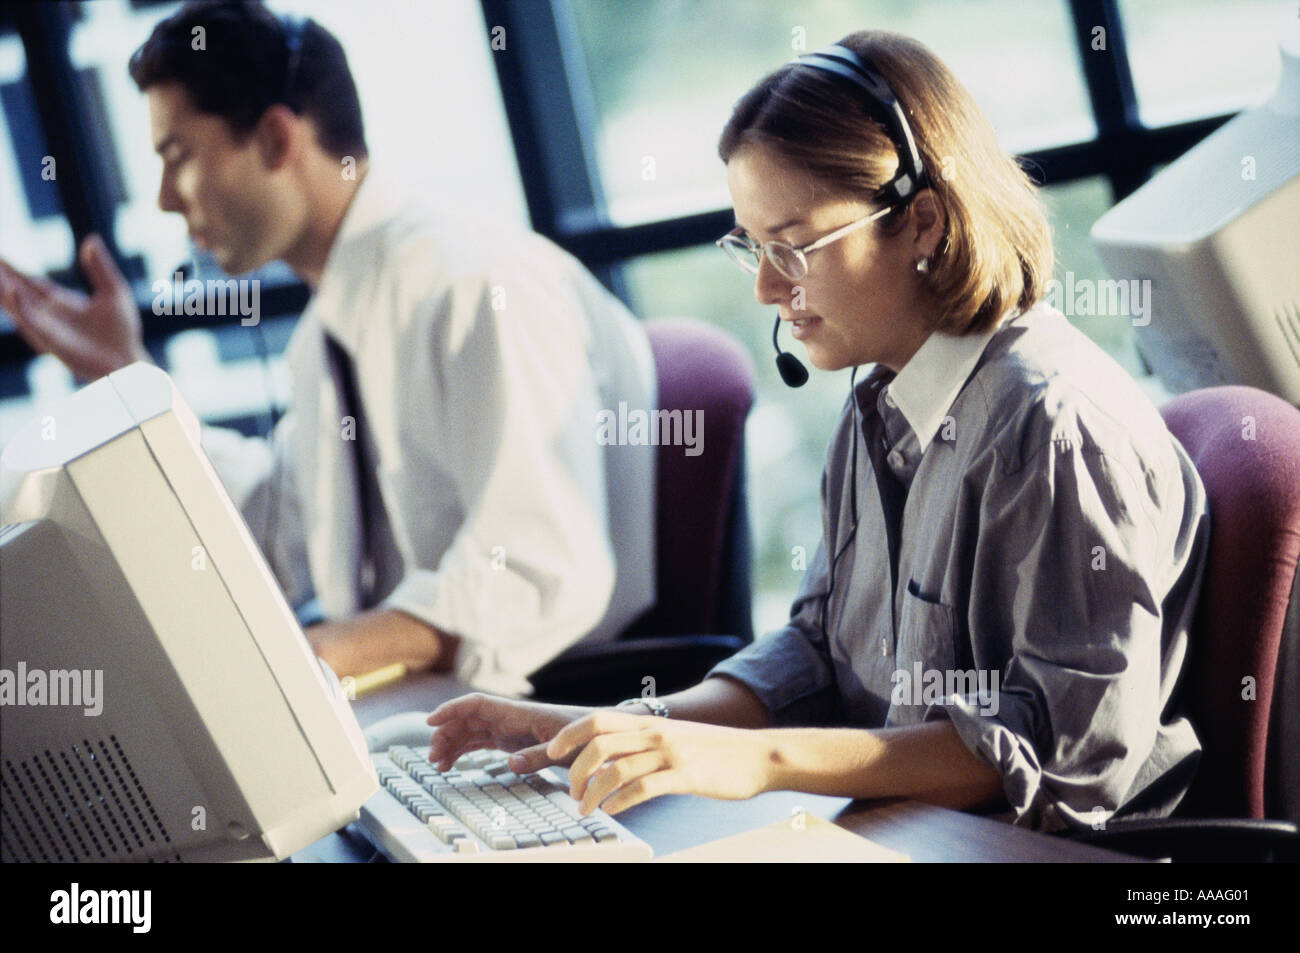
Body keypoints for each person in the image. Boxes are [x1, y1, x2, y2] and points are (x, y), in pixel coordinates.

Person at [427, 30, 1211, 831]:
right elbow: (815, 654)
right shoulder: (877, 398)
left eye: (795, 247)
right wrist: (611, 729)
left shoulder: (1057, 428)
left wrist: (757, 762)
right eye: (753, 247)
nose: (768, 286)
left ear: (922, 225)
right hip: (909, 832)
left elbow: (1061, 754)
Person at [0, 1, 656, 696]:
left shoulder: (474, 285)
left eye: (177, 155)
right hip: (430, 702)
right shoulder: (331, 331)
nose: (164, 198)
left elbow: (537, 566)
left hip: (557, 704)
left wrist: (302, 661)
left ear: (278, 139)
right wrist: (126, 375)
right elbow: (283, 524)